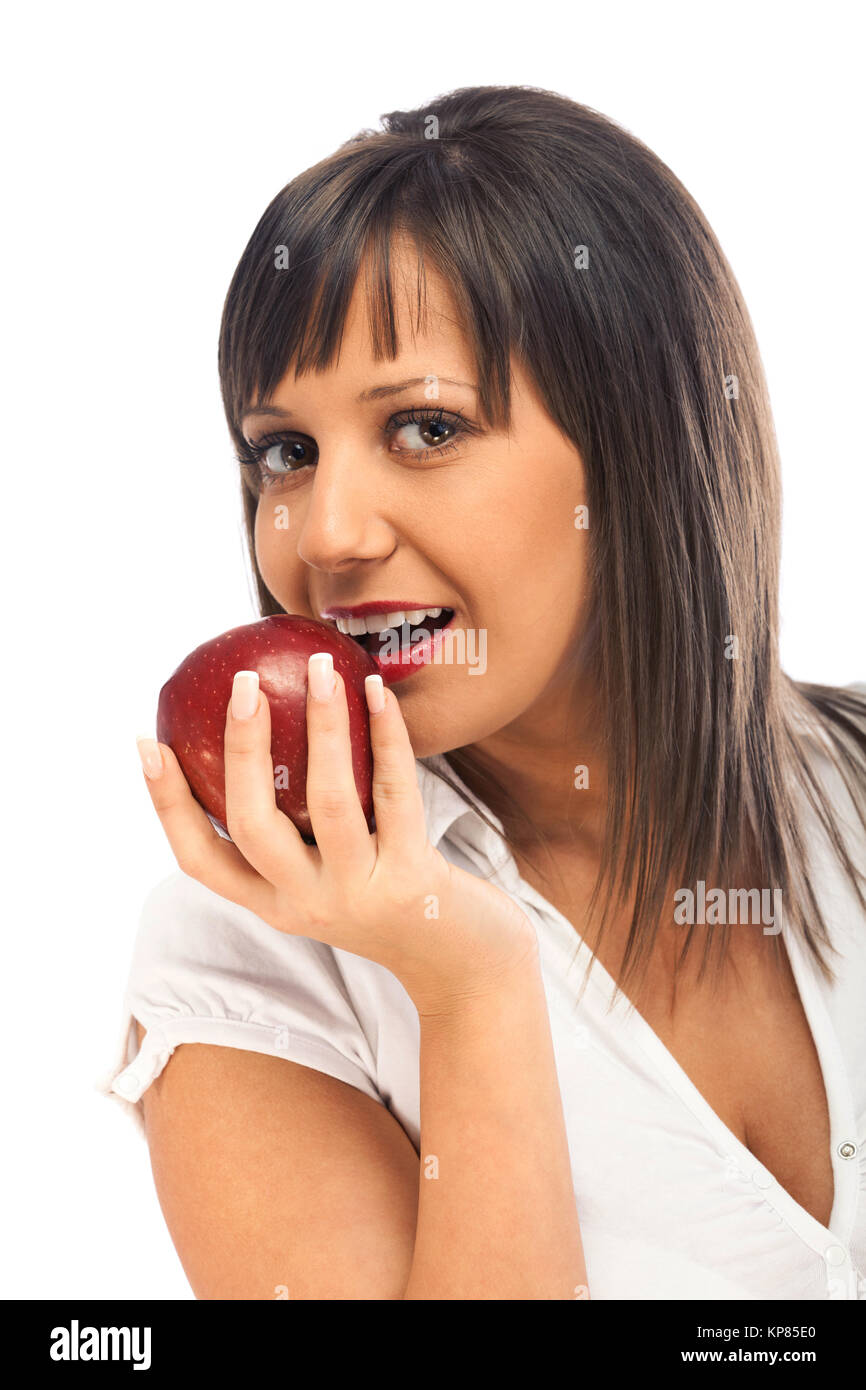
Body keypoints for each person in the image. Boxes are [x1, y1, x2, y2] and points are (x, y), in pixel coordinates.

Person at [99, 84, 866, 1300]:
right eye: (283, 451)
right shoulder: (249, 953)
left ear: (638, 445)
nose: (325, 534)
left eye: (420, 428)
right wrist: (468, 989)